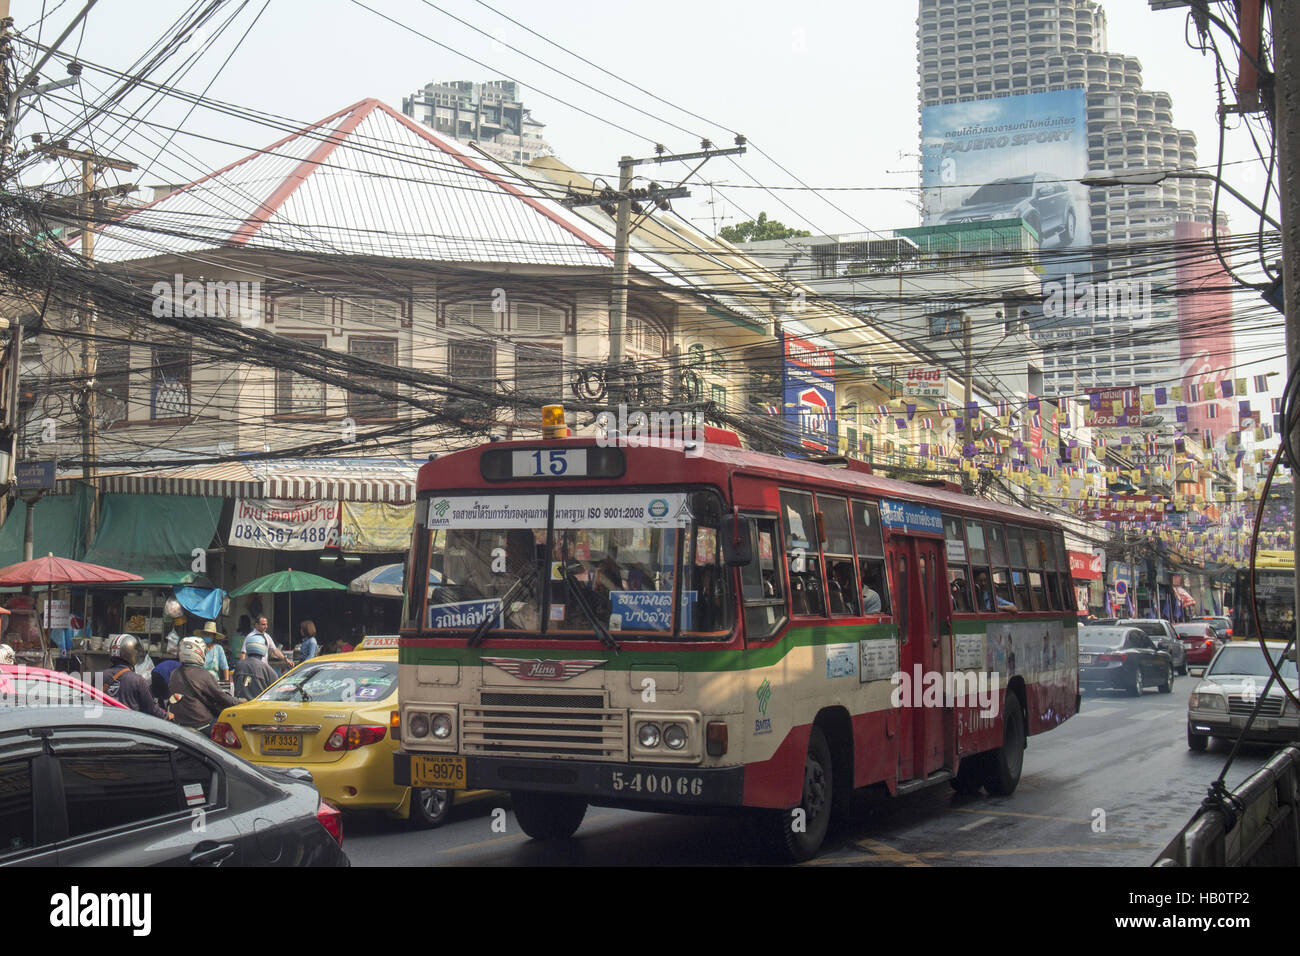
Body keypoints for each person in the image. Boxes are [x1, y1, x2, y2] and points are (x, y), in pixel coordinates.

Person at [168, 637, 239, 732]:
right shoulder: (203, 674)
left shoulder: (174, 673)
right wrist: (240, 702)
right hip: (200, 723)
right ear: (199, 652)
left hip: (179, 722)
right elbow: (221, 697)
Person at [101, 634, 169, 719]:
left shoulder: (100, 675)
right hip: (129, 728)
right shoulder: (137, 680)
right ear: (131, 653)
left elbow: (91, 705)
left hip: (104, 726)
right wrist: (167, 716)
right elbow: (151, 709)